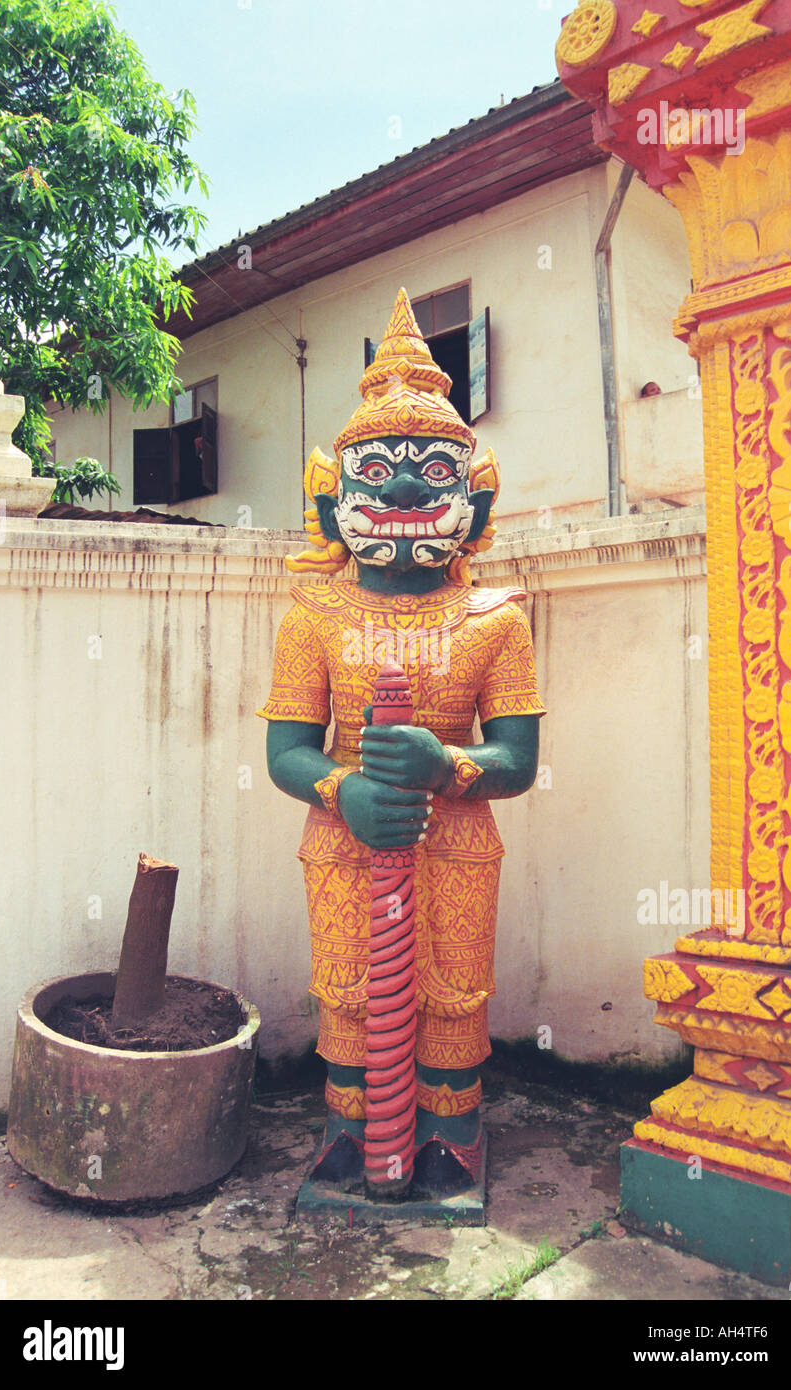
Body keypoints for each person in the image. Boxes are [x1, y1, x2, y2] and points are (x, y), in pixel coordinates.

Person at [258, 289, 545, 1193]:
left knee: (453, 996)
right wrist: (343, 790)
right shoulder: (313, 614)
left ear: (476, 492)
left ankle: (449, 1136)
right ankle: (353, 1131)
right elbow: (287, 752)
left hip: (455, 835)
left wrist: (447, 765)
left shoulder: (496, 618)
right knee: (346, 992)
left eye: (433, 471)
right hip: (346, 836)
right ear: (331, 497)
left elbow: (519, 760)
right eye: (377, 474)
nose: (411, 488)